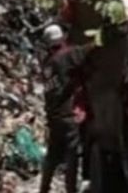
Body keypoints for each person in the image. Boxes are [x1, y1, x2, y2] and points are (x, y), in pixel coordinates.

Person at [38, 24, 92, 193]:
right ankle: (71, 190)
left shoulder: (47, 63)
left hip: (53, 116)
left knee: (53, 155)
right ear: (62, 38)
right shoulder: (65, 56)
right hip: (67, 114)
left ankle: (44, 188)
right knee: (72, 154)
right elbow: (86, 50)